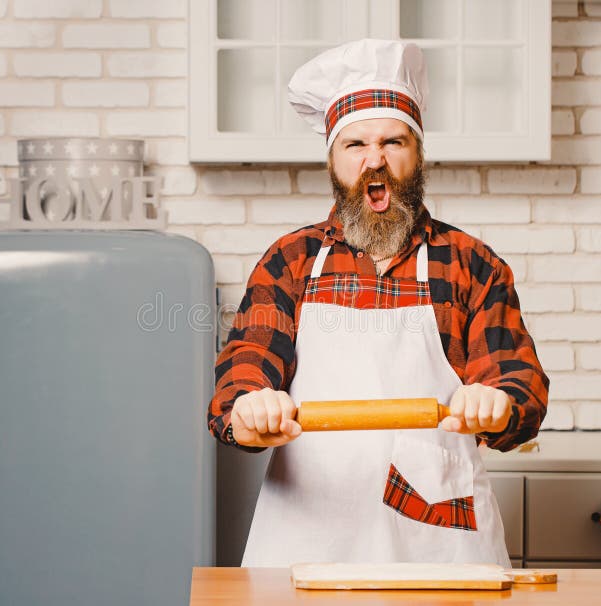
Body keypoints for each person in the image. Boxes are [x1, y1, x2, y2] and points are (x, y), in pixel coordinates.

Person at [207, 39, 548, 567]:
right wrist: (250, 407)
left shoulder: (471, 264)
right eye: (355, 144)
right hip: (309, 538)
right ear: (333, 161)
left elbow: (517, 382)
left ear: (418, 155)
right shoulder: (291, 262)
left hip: (438, 544)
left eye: (393, 141)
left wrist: (499, 403)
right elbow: (245, 369)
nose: (375, 160)